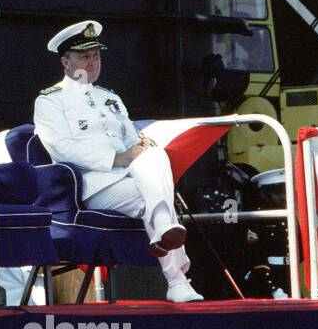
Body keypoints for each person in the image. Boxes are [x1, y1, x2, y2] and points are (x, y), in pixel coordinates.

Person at [33, 20, 203, 303]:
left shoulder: (110, 97)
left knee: (154, 155)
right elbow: (61, 148)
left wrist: (140, 147)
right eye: (84, 56)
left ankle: (167, 243)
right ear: (65, 62)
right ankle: (176, 276)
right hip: (93, 185)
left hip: (131, 178)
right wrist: (118, 157)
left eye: (96, 55)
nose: (92, 62)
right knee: (153, 193)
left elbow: (129, 140)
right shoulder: (51, 100)